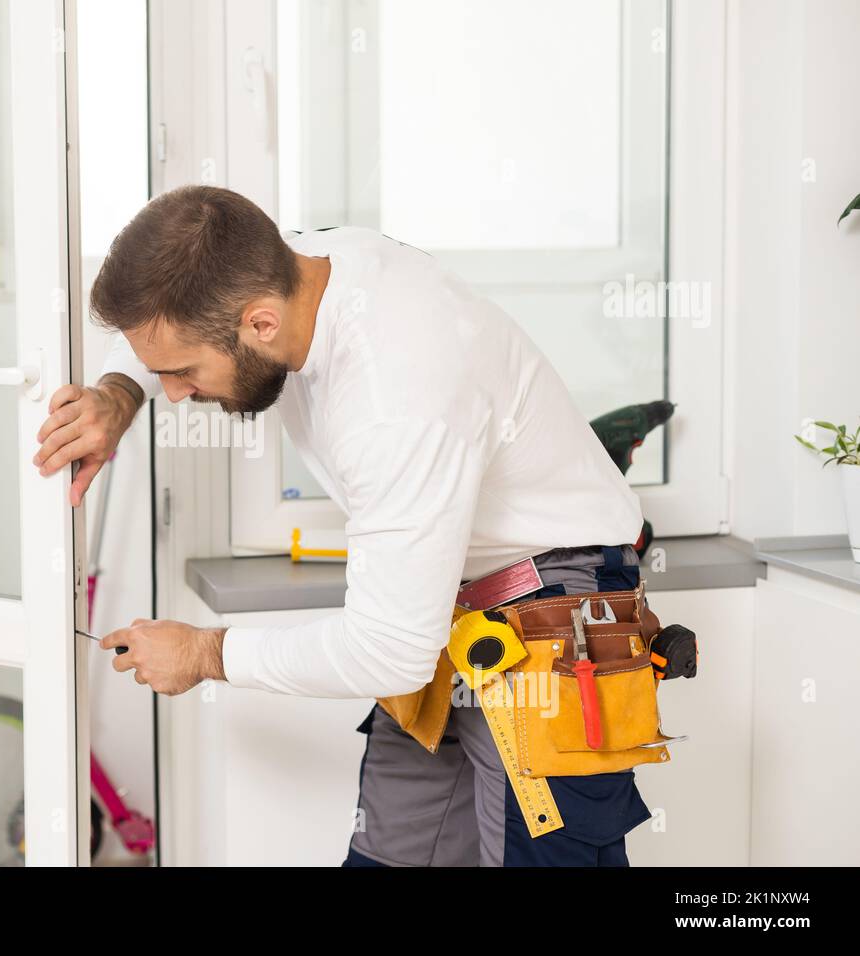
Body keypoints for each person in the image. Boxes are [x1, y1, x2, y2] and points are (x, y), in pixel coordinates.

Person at [33, 184, 651, 866]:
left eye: (182, 373)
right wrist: (119, 395)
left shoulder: (397, 397)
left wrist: (204, 654)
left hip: (551, 608)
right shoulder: (303, 262)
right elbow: (174, 320)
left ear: (261, 324)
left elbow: (387, 650)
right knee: (391, 854)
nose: (175, 394)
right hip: (443, 600)